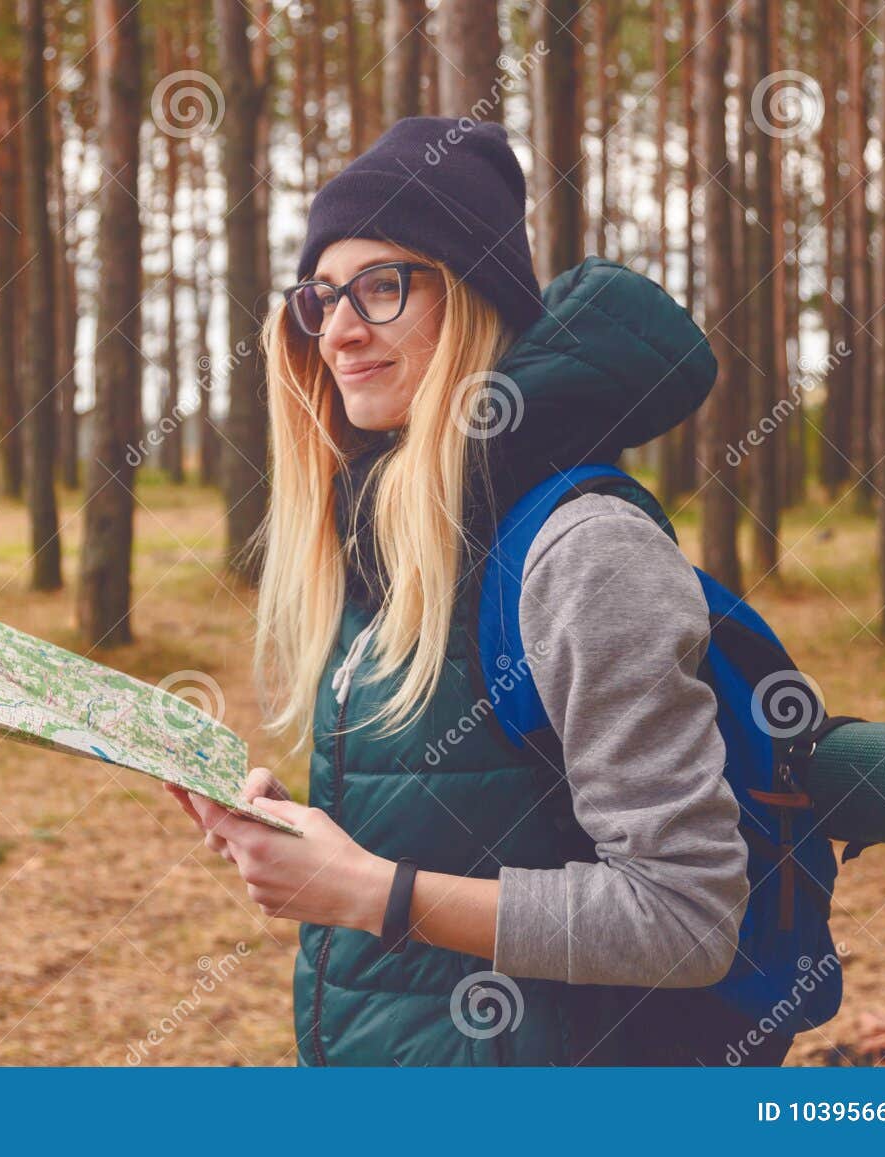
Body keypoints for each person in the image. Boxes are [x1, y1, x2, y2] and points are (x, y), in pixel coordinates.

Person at [167, 115, 792, 1067]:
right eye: (324, 296)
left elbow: (688, 916)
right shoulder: (384, 533)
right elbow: (472, 814)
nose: (338, 330)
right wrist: (306, 839)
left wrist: (370, 889)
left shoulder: (582, 552)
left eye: (381, 287)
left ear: (476, 303)